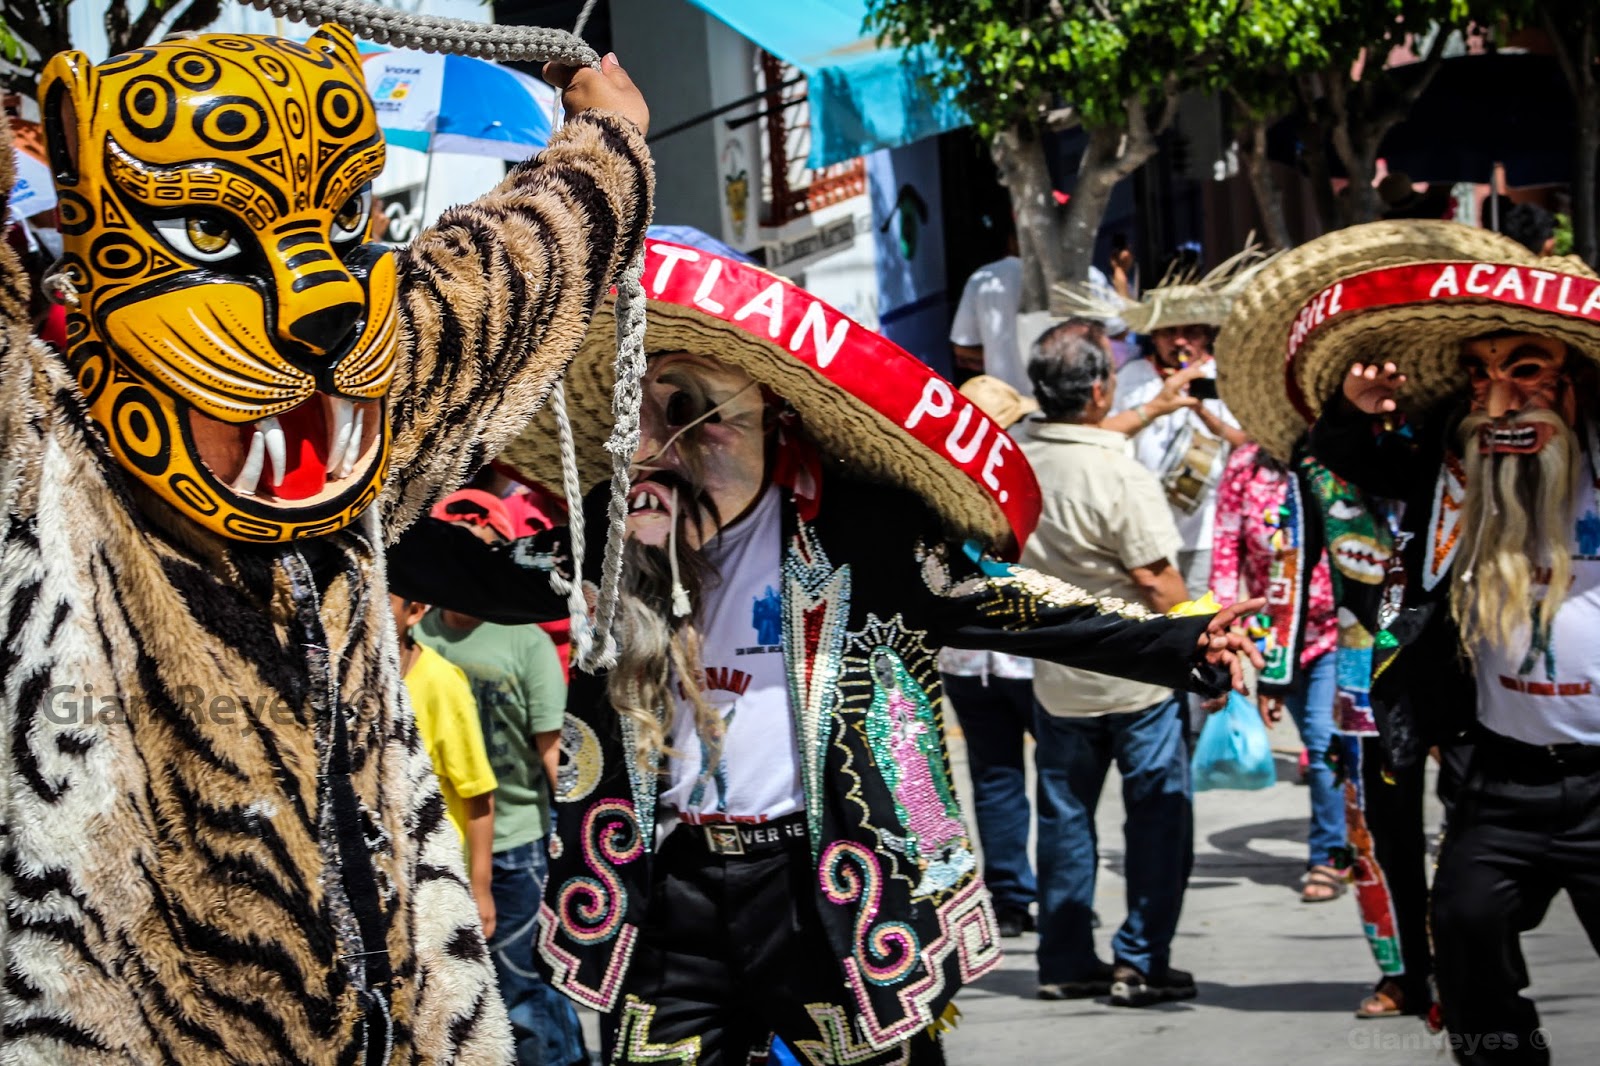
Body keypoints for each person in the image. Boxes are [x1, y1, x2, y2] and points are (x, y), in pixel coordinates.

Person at [444, 243, 1265, 1065]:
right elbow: (482, 574)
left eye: (697, 415)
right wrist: (349, 505)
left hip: (821, 884)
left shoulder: (860, 534)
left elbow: (1014, 606)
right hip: (671, 885)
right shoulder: (621, 538)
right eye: (650, 412)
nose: (665, 444)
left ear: (773, 420)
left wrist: (1181, 638)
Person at [0, 26, 651, 1062]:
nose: (321, 301)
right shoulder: (41, 473)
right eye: (210, 232)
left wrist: (606, 141)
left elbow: (505, 270)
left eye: (345, 219)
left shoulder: (357, 453)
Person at [1218, 218, 1600, 1064]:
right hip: (1506, 778)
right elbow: (1353, 462)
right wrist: (1350, 417)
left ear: (1577, 382)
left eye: (1525, 372)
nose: (1497, 400)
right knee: (1463, 931)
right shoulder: (1454, 468)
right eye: (1478, 377)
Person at [1015, 320, 1202, 1007]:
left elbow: (1084, 435)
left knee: (1065, 821)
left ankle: (1064, 959)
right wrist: (1201, 637)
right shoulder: (1118, 474)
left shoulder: (1017, 457)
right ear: (1099, 389)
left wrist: (1153, 407)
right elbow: (1157, 582)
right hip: (1137, 679)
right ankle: (1142, 961)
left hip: (1059, 674)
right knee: (1157, 821)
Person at [412, 490, 588, 1066]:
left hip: (516, 841)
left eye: (485, 534)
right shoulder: (422, 636)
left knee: (521, 986)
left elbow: (552, 748)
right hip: (442, 843)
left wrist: (568, 841)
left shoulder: (525, 637)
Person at [1061, 248, 1270, 595]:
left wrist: (1199, 407)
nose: (1180, 341)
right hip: (1149, 529)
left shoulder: (1228, 377)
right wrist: (1159, 405)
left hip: (1208, 528)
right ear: (1154, 336)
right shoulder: (1131, 377)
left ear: (1206, 335)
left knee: (1205, 615)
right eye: (1169, 332)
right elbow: (1105, 436)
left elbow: (1247, 444)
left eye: (1191, 332)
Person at [1209, 441, 1347, 901]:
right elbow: (1226, 550)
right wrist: (1222, 626)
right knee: (1319, 739)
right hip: (1274, 637)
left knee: (1324, 737)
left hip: (1338, 631)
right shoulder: (1244, 468)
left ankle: (1329, 856)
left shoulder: (1338, 457)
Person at [937, 374, 1041, 938]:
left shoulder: (934, 485)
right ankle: (1061, 894)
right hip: (1028, 654)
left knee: (996, 778)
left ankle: (1010, 898)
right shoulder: (1022, 484)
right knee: (1059, 782)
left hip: (966, 658)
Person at [393, 593, 499, 935]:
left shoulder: (441, 682)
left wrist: (480, 889)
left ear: (415, 611)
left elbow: (479, 795)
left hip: (429, 875)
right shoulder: (342, 676)